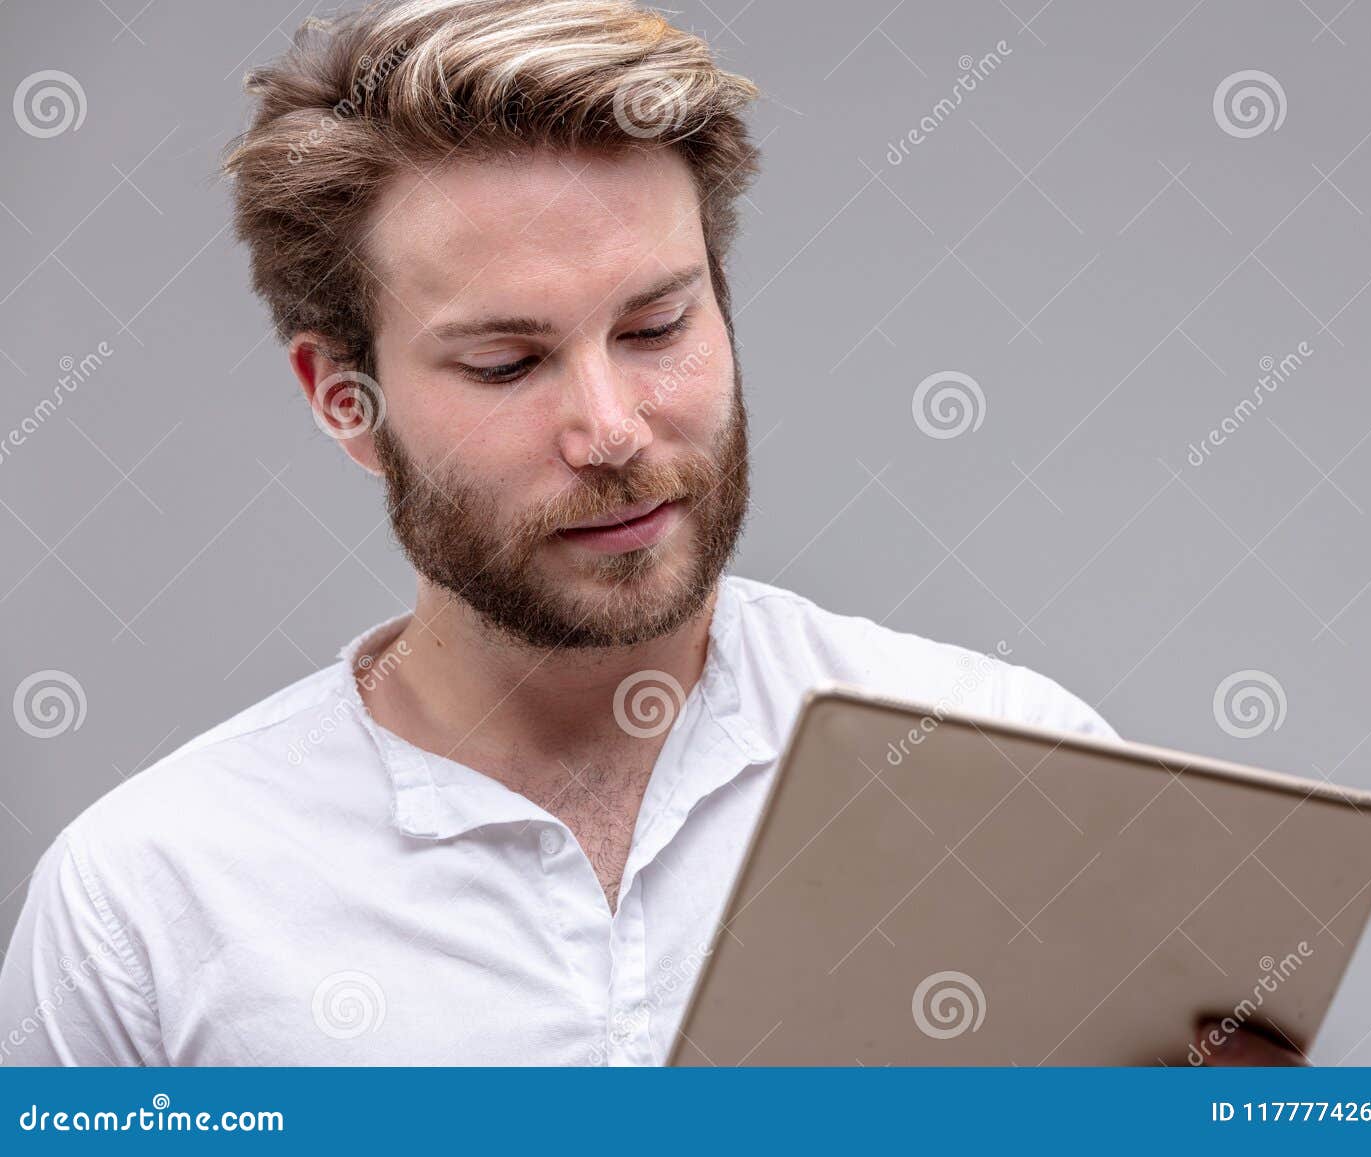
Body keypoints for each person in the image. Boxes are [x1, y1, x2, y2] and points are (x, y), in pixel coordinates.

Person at [0, 0, 1299, 1067]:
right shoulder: (147, 902)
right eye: (507, 362)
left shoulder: (1027, 773)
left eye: (657, 327)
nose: (611, 427)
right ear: (346, 401)